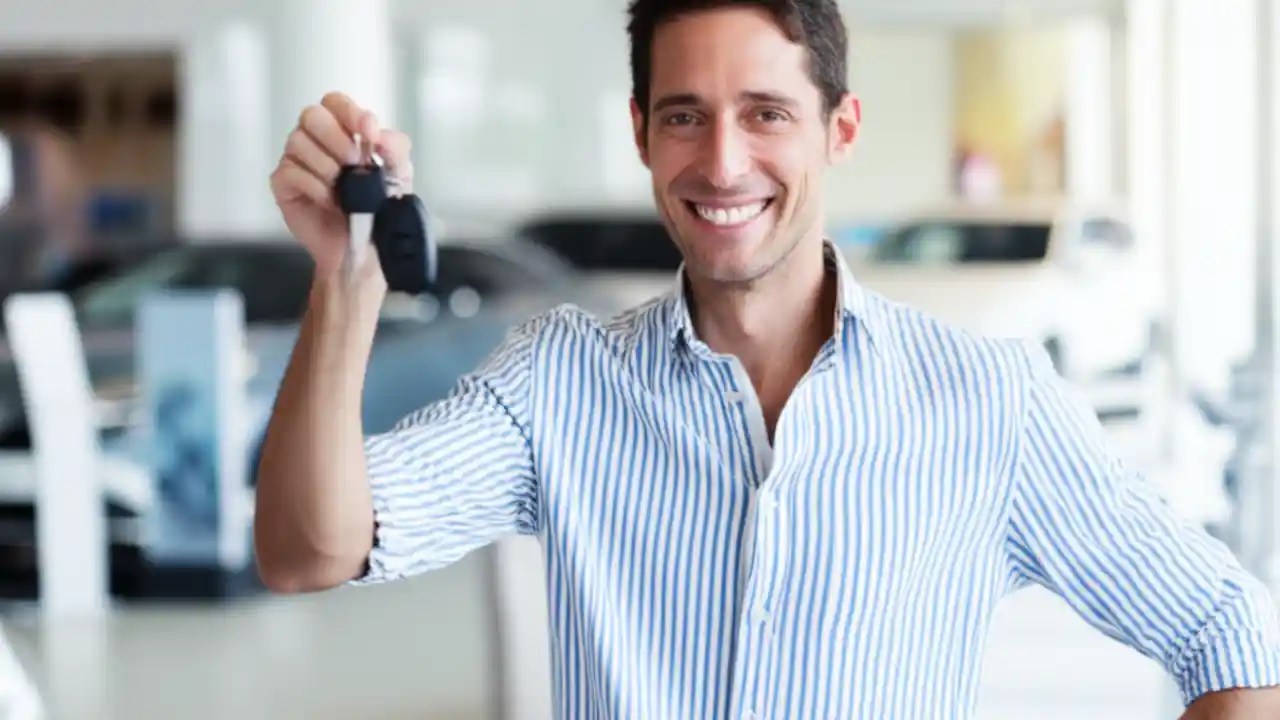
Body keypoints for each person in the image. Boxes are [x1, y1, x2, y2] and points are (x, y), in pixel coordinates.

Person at [253, 1, 1280, 717]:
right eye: (684, 116)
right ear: (641, 136)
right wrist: (346, 278)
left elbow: (1232, 636)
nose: (722, 162)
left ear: (840, 129)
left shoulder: (985, 402)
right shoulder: (557, 383)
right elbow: (309, 548)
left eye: (765, 114)